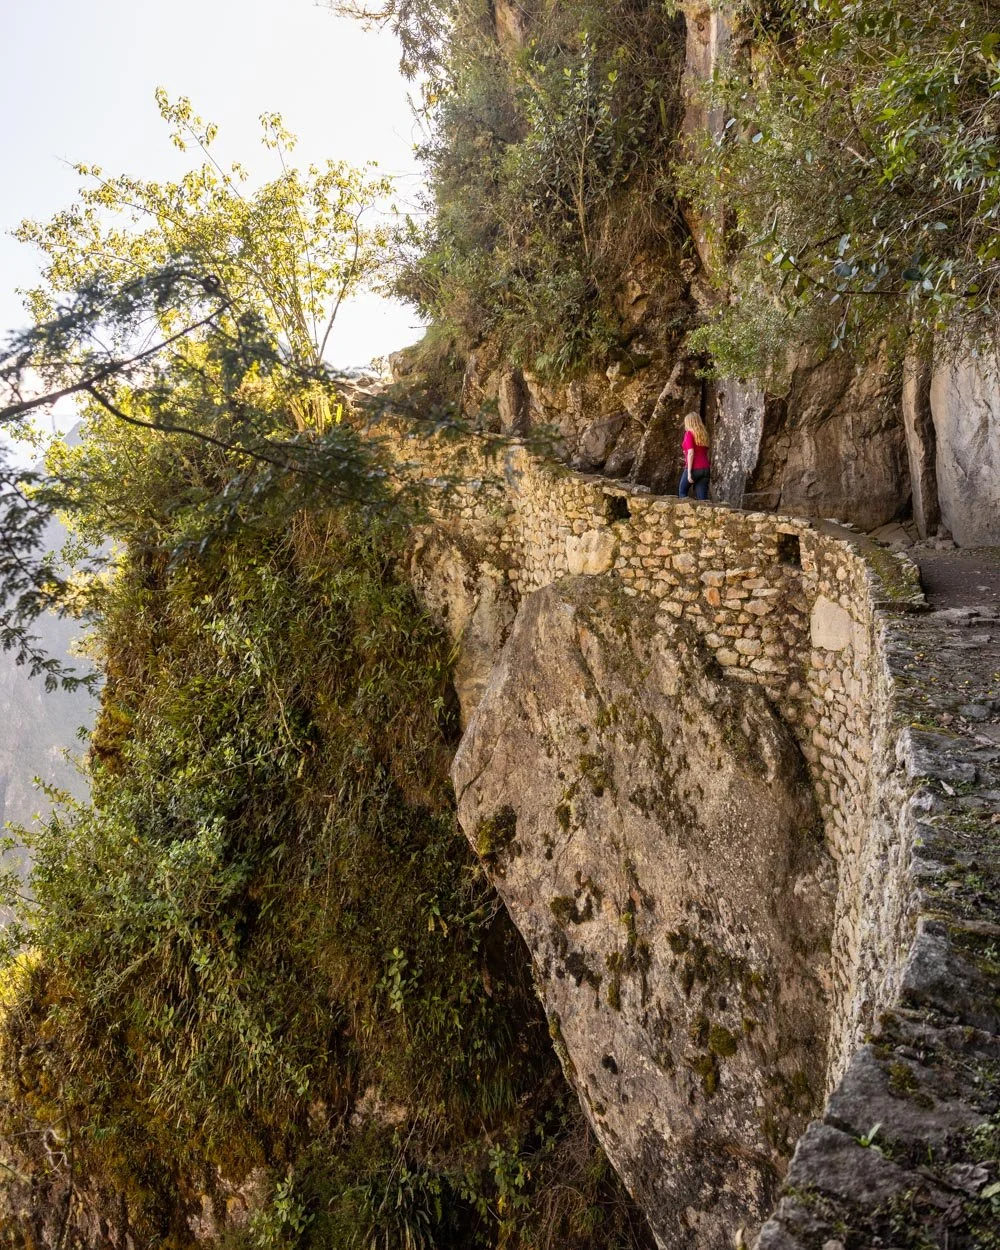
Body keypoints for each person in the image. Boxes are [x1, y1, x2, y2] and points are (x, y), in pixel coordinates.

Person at [678, 411, 711, 501]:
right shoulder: (703, 434)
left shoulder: (689, 433)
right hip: (705, 469)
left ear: (688, 422)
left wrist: (689, 472)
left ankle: (684, 514)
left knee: (682, 491)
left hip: (694, 468)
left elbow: (691, 452)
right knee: (702, 499)